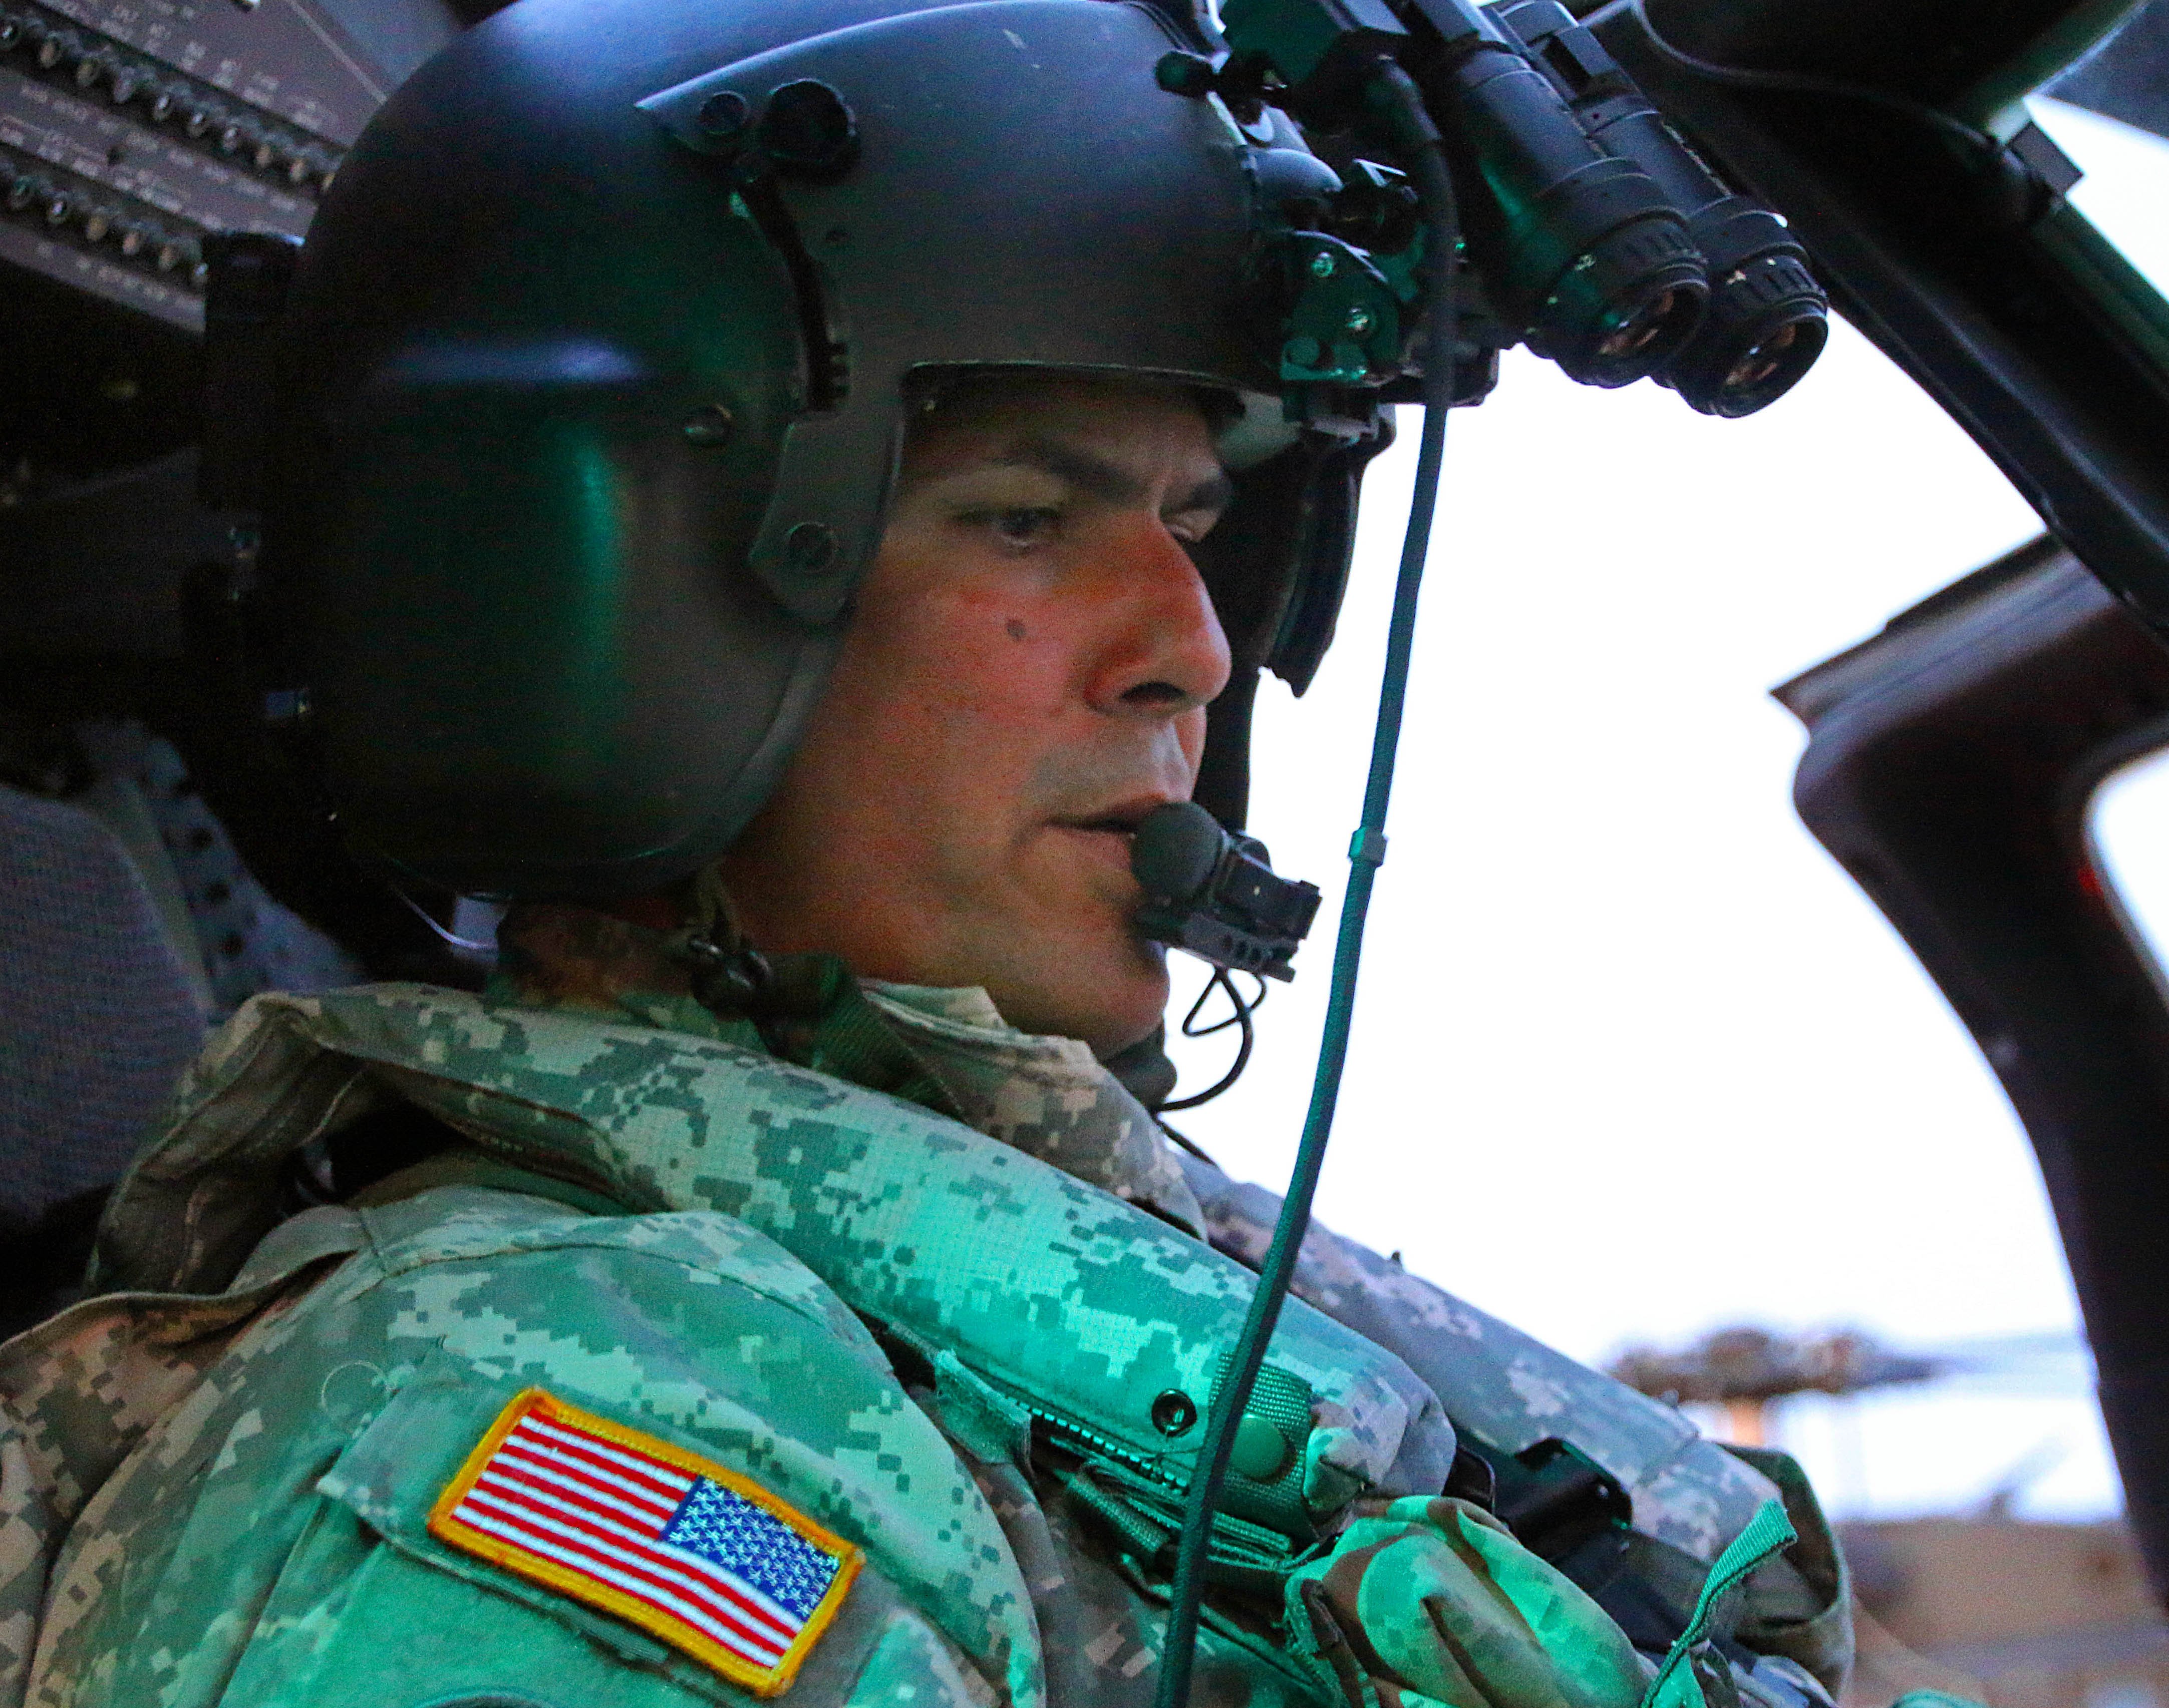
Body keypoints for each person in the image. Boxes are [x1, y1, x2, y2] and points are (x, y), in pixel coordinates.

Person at [0, 0, 1856, 1701]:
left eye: (1198, 521)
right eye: (1027, 518)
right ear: (619, 611)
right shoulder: (536, 1423)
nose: (1192, 644)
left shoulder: (986, 1331)